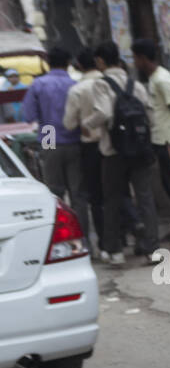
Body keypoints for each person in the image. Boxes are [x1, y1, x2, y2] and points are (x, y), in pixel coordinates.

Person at [83, 40, 158, 266]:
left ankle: (115, 251)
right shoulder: (135, 83)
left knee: (113, 198)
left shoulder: (101, 84)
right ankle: (152, 249)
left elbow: (103, 112)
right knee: (145, 197)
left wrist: (87, 124)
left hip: (113, 150)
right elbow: (150, 115)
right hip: (140, 150)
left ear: (100, 61)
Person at [20, 47, 89, 237]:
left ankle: (62, 238)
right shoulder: (75, 84)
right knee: (78, 194)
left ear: (49, 62)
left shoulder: (39, 84)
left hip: (49, 134)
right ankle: (85, 240)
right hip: (73, 138)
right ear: (68, 63)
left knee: (54, 192)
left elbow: (29, 116)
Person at [132, 38, 170, 224]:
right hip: (161, 139)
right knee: (169, 184)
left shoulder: (162, 79)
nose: (134, 63)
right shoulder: (154, 78)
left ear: (142, 58)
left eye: (135, 58)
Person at [62, 50, 105, 257]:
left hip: (58, 140)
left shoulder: (40, 84)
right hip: (93, 142)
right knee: (89, 195)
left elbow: (38, 118)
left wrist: (48, 145)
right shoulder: (74, 83)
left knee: (64, 190)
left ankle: (82, 241)